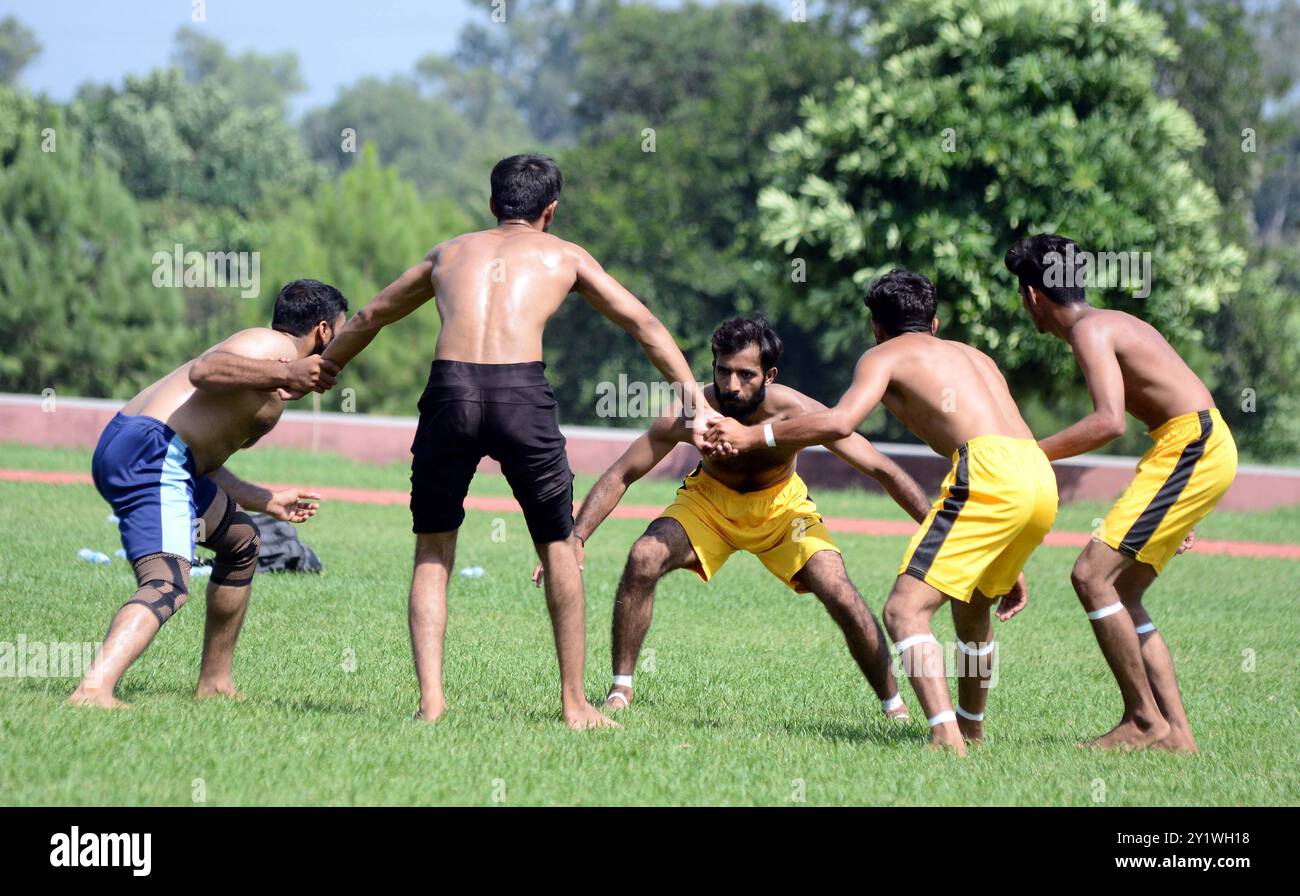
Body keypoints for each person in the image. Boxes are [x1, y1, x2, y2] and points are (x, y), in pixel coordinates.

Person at [321, 154, 718, 730]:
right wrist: (693, 401)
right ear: (550, 211)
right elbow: (645, 326)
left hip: (450, 390)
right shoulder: (565, 256)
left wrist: (322, 367)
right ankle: (574, 705)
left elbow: (372, 313)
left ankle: (431, 703)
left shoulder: (449, 252)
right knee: (558, 547)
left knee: (433, 550)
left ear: (492, 205)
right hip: (518, 394)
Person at [706, 272, 1059, 755]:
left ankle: (943, 737)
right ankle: (971, 731)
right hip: (1037, 474)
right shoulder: (978, 357)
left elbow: (839, 422)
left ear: (876, 327)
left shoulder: (882, 355)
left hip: (987, 471)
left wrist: (754, 436)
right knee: (973, 609)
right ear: (933, 322)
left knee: (904, 611)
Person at [534, 314, 932, 719]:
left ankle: (892, 704)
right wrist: (577, 538)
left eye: (746, 374)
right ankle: (621, 688)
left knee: (840, 592)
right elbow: (623, 473)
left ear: (769, 375)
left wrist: (940, 534)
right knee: (643, 558)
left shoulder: (796, 412)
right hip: (708, 504)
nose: (732, 386)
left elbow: (883, 469)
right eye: (723, 372)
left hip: (782, 511)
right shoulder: (693, 411)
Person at [1005, 233, 1237, 752]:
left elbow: (1108, 422)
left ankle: (1142, 720)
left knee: (1091, 575)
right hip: (1195, 445)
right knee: (1121, 591)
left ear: (1032, 296)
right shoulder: (1115, 322)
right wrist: (1185, 499)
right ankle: (1176, 735)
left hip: (1190, 447)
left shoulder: (1091, 331)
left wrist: (1029, 452)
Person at [70, 279, 347, 708]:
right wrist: (286, 370)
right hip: (153, 451)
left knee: (242, 542)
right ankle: (92, 689)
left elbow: (205, 464)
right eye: (341, 335)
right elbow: (205, 370)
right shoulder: (270, 345)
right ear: (324, 331)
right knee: (167, 584)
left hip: (155, 452)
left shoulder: (271, 381)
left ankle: (214, 683)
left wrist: (267, 499)